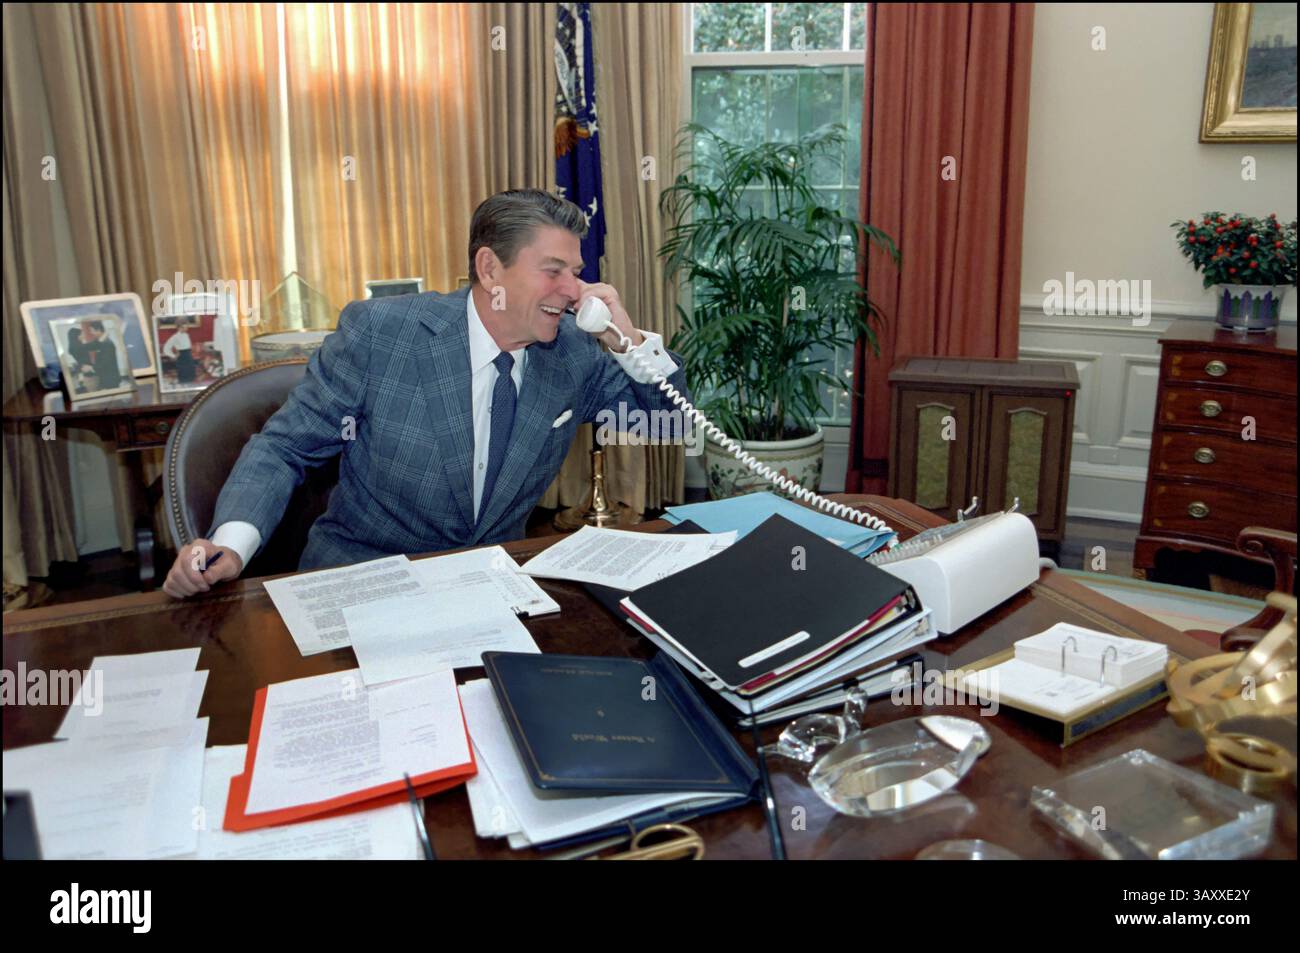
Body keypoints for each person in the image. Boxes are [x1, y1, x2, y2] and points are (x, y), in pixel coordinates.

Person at [163, 189, 691, 597]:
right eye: (552, 271)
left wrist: (630, 343)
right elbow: (286, 446)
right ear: (490, 270)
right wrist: (230, 546)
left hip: (487, 589)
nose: (573, 291)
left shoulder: (573, 353)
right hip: (364, 583)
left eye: (576, 274)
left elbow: (670, 421)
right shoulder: (381, 334)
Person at [72, 320, 123, 390]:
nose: (91, 333)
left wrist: (90, 367)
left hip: (111, 379)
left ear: (98, 330)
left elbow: (105, 363)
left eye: (92, 330)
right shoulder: (100, 341)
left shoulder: (108, 344)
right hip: (105, 377)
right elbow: (90, 346)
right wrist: (78, 342)